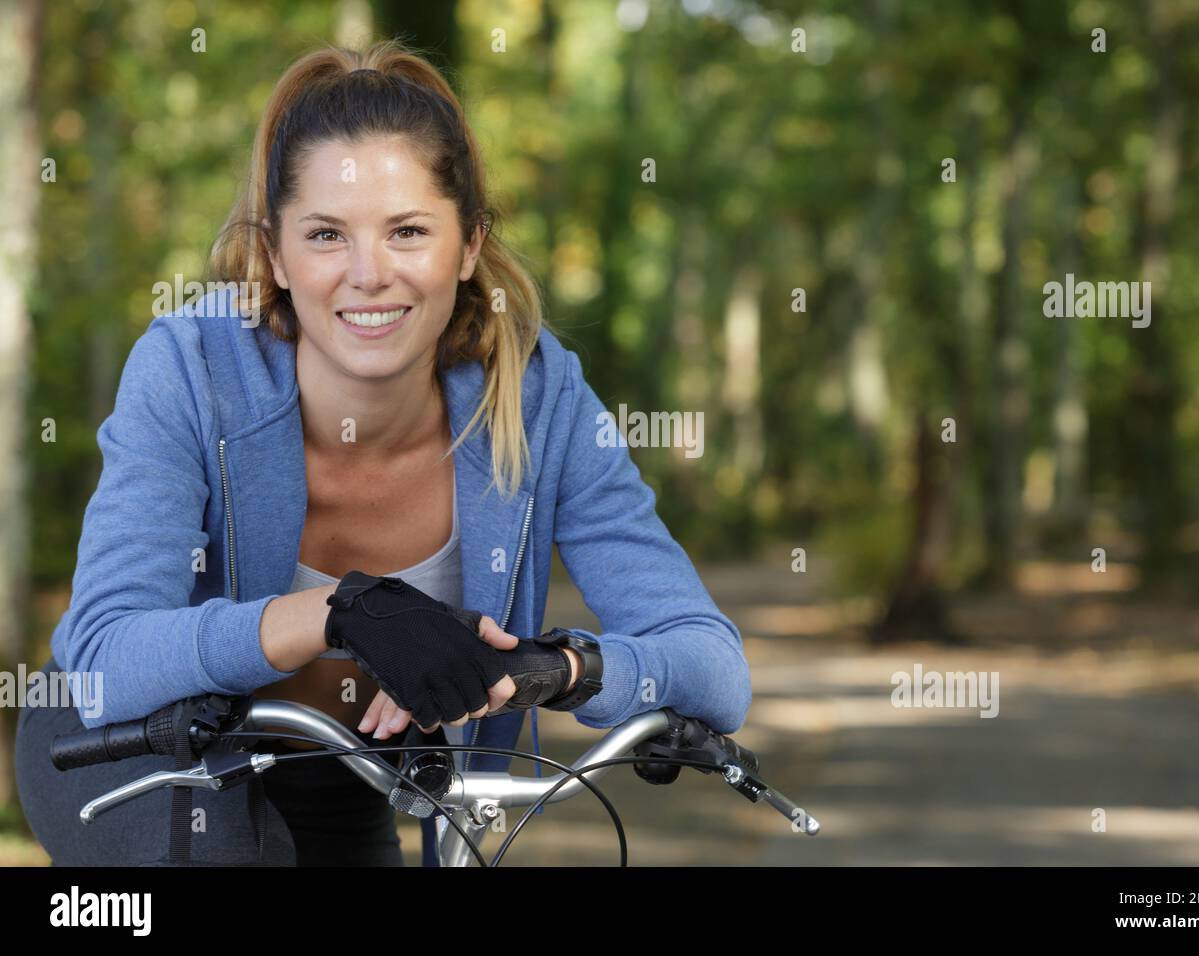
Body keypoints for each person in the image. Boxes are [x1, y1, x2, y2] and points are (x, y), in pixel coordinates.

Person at [15, 38, 751, 867]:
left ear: (468, 246)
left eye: (407, 231)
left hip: (339, 776)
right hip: (135, 748)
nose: (369, 274)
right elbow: (105, 659)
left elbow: (713, 665)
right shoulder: (192, 367)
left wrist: (561, 667)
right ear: (274, 255)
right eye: (327, 235)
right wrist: (337, 613)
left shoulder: (537, 396)